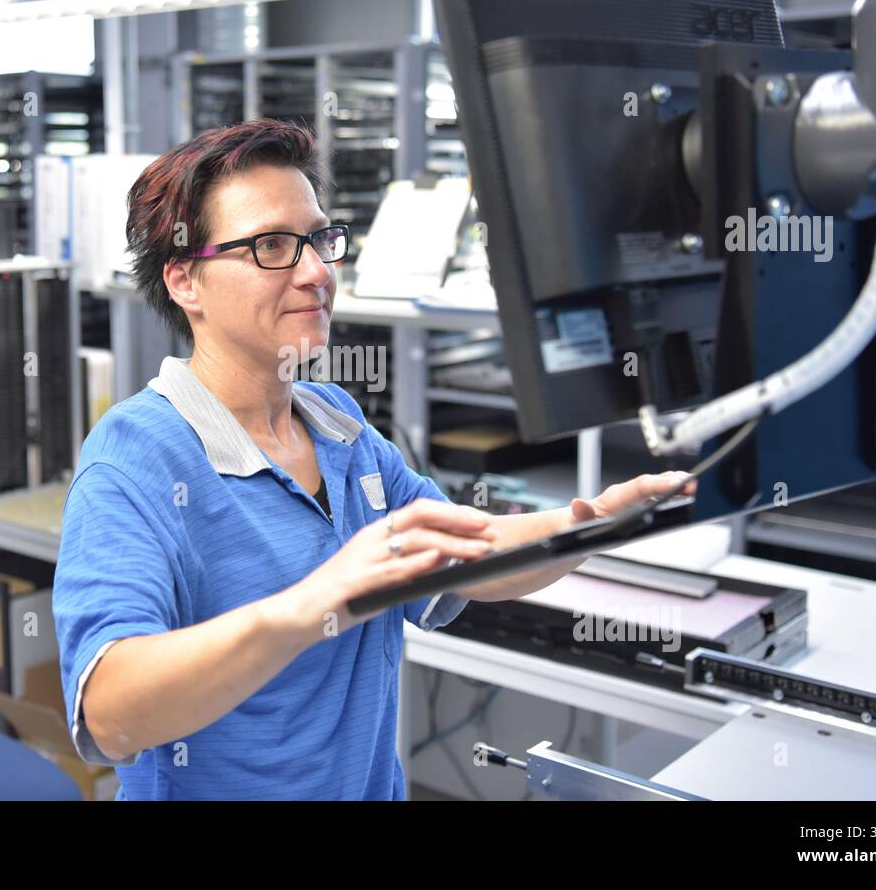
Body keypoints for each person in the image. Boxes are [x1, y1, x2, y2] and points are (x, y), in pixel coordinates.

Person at [53, 118, 692, 800]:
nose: (316, 271)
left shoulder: (339, 425)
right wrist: (317, 599)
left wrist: (593, 523)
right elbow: (110, 711)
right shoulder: (136, 459)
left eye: (320, 240)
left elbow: (466, 550)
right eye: (272, 245)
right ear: (185, 280)